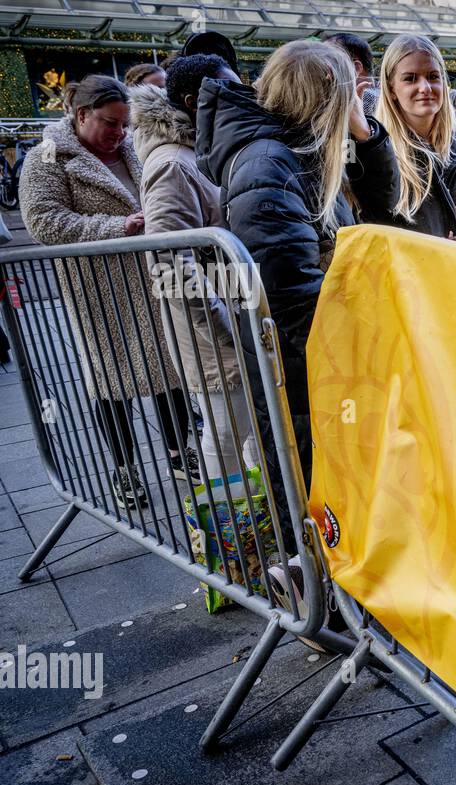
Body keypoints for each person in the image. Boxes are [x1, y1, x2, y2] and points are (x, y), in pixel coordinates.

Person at [196, 39, 398, 593]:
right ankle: (313, 594)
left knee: (323, 479)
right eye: (353, 97)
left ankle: (324, 587)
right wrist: (358, 354)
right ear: (327, 99)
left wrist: (366, 133)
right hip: (299, 363)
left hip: (314, 359)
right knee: (308, 479)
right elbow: (289, 293)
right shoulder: (269, 163)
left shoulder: (297, 149)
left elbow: (385, 205)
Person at [20, 75, 198, 509]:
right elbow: (43, 221)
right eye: (110, 122)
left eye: (124, 123)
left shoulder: (132, 147)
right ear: (81, 115)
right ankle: (125, 469)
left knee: (169, 370)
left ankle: (179, 453)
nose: (119, 132)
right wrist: (118, 227)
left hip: (150, 281)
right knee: (111, 381)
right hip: (99, 290)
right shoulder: (47, 157)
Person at [131, 54, 255, 482]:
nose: (241, 96)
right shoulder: (172, 164)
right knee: (227, 440)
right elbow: (169, 264)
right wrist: (227, 329)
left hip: (233, 327)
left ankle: (258, 534)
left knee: (247, 438)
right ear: (193, 100)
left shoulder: (199, 153)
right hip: (216, 343)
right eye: (230, 88)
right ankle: (229, 540)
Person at [372, 36, 456, 249]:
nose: (425, 87)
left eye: (433, 76)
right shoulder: (378, 155)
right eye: (410, 78)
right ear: (391, 89)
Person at [325, 32, 380, 118]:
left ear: (356, 68)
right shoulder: (380, 95)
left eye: (329, 62)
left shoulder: (366, 99)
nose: (326, 73)